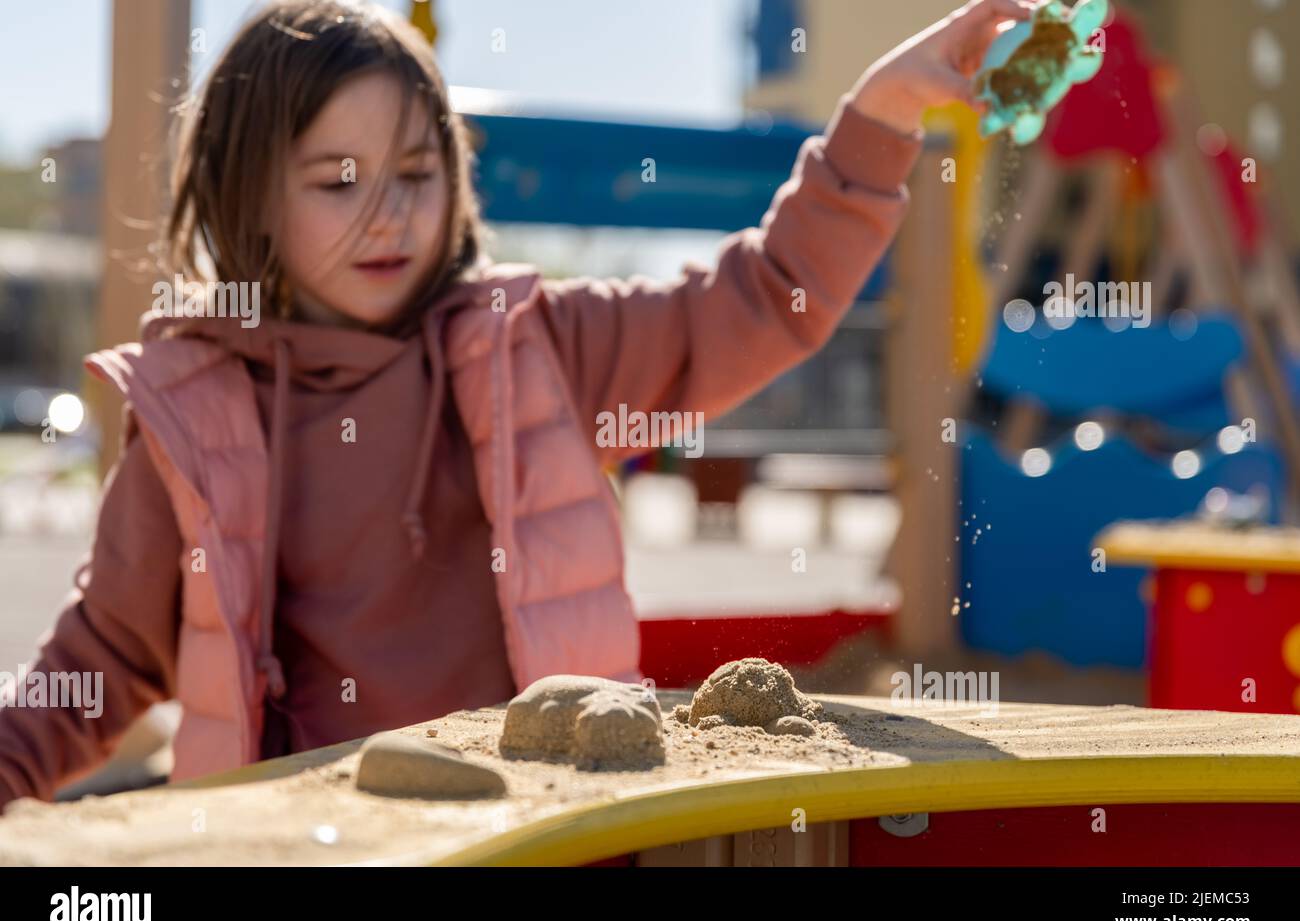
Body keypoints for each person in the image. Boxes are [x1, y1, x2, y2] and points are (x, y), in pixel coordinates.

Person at [0, 0, 1033, 810]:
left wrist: (879, 122)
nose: (388, 213)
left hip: (553, 826)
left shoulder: (535, 346)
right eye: (337, 180)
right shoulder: (196, 414)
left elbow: (762, 301)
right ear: (247, 196)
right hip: (318, 844)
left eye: (415, 170)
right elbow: (101, 658)